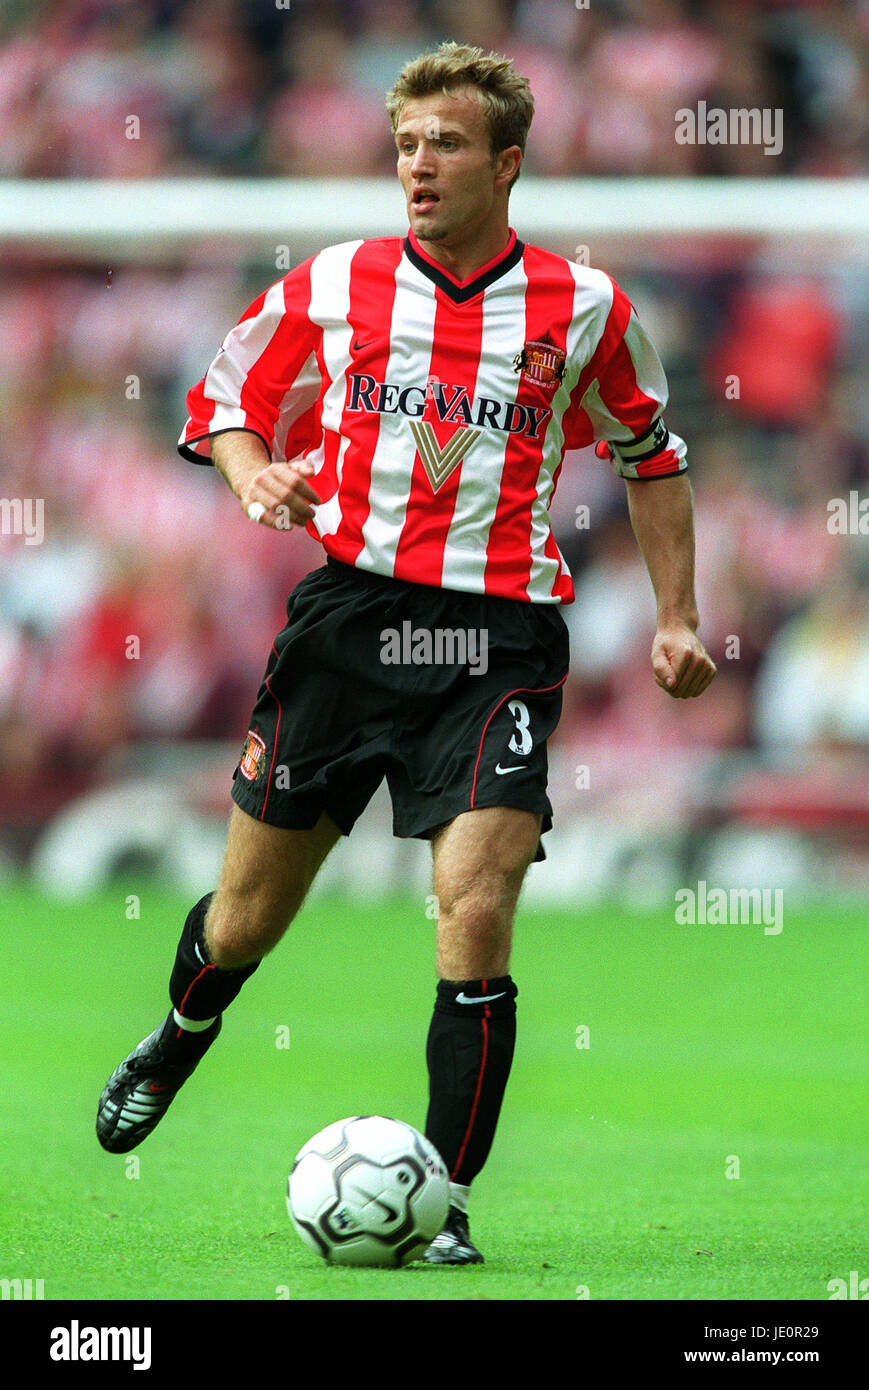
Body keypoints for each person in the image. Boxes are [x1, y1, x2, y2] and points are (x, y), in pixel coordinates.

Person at [96, 42, 716, 1265]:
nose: (415, 165)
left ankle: (446, 1199)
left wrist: (678, 616)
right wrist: (252, 469)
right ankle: (182, 1028)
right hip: (345, 627)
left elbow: (651, 458)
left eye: (441, 145)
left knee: (474, 908)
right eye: (403, 145)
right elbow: (221, 401)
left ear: (507, 163)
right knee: (243, 917)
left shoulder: (586, 310)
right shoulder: (332, 285)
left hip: (498, 642)